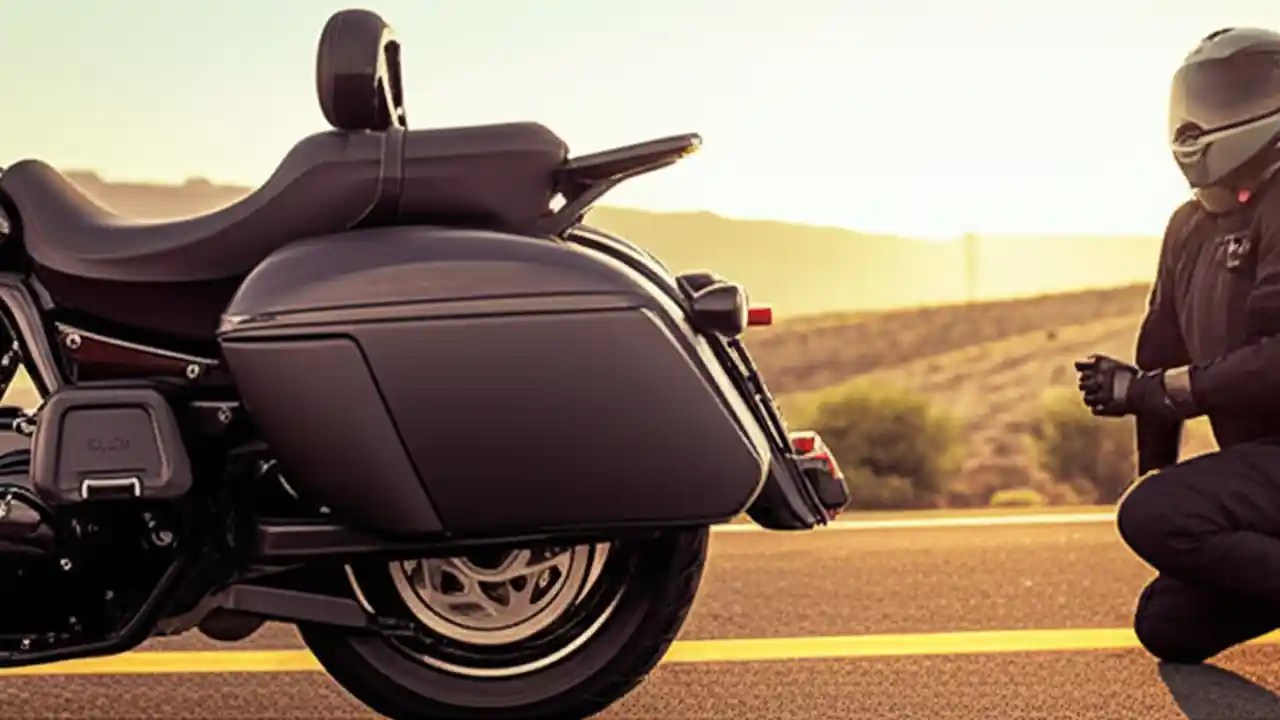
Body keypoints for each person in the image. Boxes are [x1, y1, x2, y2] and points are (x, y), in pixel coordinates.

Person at [1075, 27, 1280, 664]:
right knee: (1168, 623)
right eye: (1196, 99)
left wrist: (1156, 392)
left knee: (1153, 514)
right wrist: (1155, 469)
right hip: (1265, 469)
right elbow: (1159, 349)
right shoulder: (1190, 225)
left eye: (1228, 96)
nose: (1197, 123)